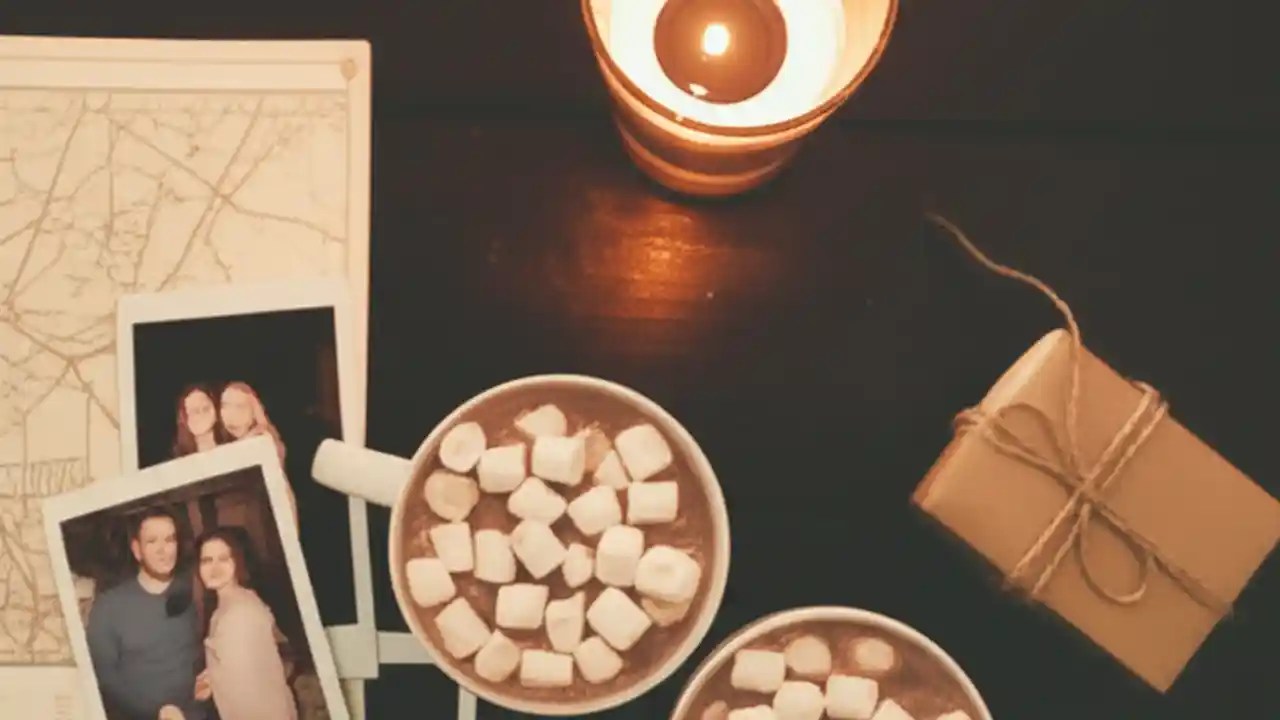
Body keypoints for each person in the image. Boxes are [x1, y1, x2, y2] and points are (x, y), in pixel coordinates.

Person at [85, 508, 208, 720]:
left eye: (169, 540)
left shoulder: (193, 591)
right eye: (152, 541)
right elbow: (105, 677)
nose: (164, 550)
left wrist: (210, 679)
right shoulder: (108, 607)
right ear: (137, 550)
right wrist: (157, 711)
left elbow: (200, 652)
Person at [193, 527, 299, 720]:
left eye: (224, 559)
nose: (214, 568)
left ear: (238, 561)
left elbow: (250, 693)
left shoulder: (239, 614)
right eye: (206, 560)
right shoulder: (236, 599)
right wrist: (213, 677)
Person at [219, 381, 299, 527]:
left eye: (240, 407)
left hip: (273, 518)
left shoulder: (262, 438)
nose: (231, 415)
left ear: (254, 410)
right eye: (225, 406)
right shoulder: (233, 442)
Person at [172, 385, 232, 459]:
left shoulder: (234, 449)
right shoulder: (178, 463)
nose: (201, 413)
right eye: (194, 411)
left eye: (205, 408)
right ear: (184, 419)